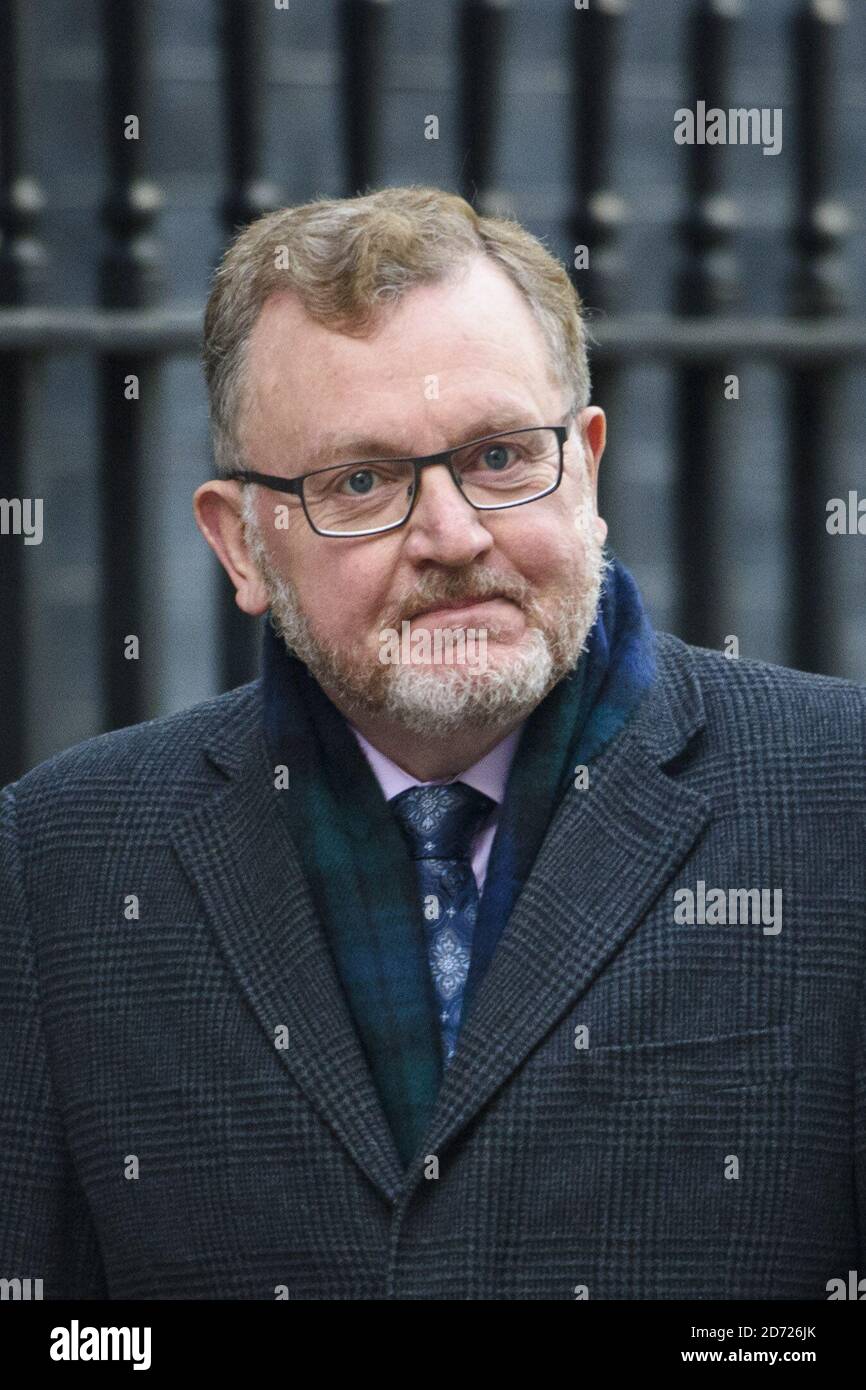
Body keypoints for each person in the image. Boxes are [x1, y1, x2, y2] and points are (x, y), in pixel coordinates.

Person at [2, 186, 864, 1301]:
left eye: (501, 456)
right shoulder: (60, 859)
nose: (452, 536)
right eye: (360, 482)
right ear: (241, 544)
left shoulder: (837, 797)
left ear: (587, 470)